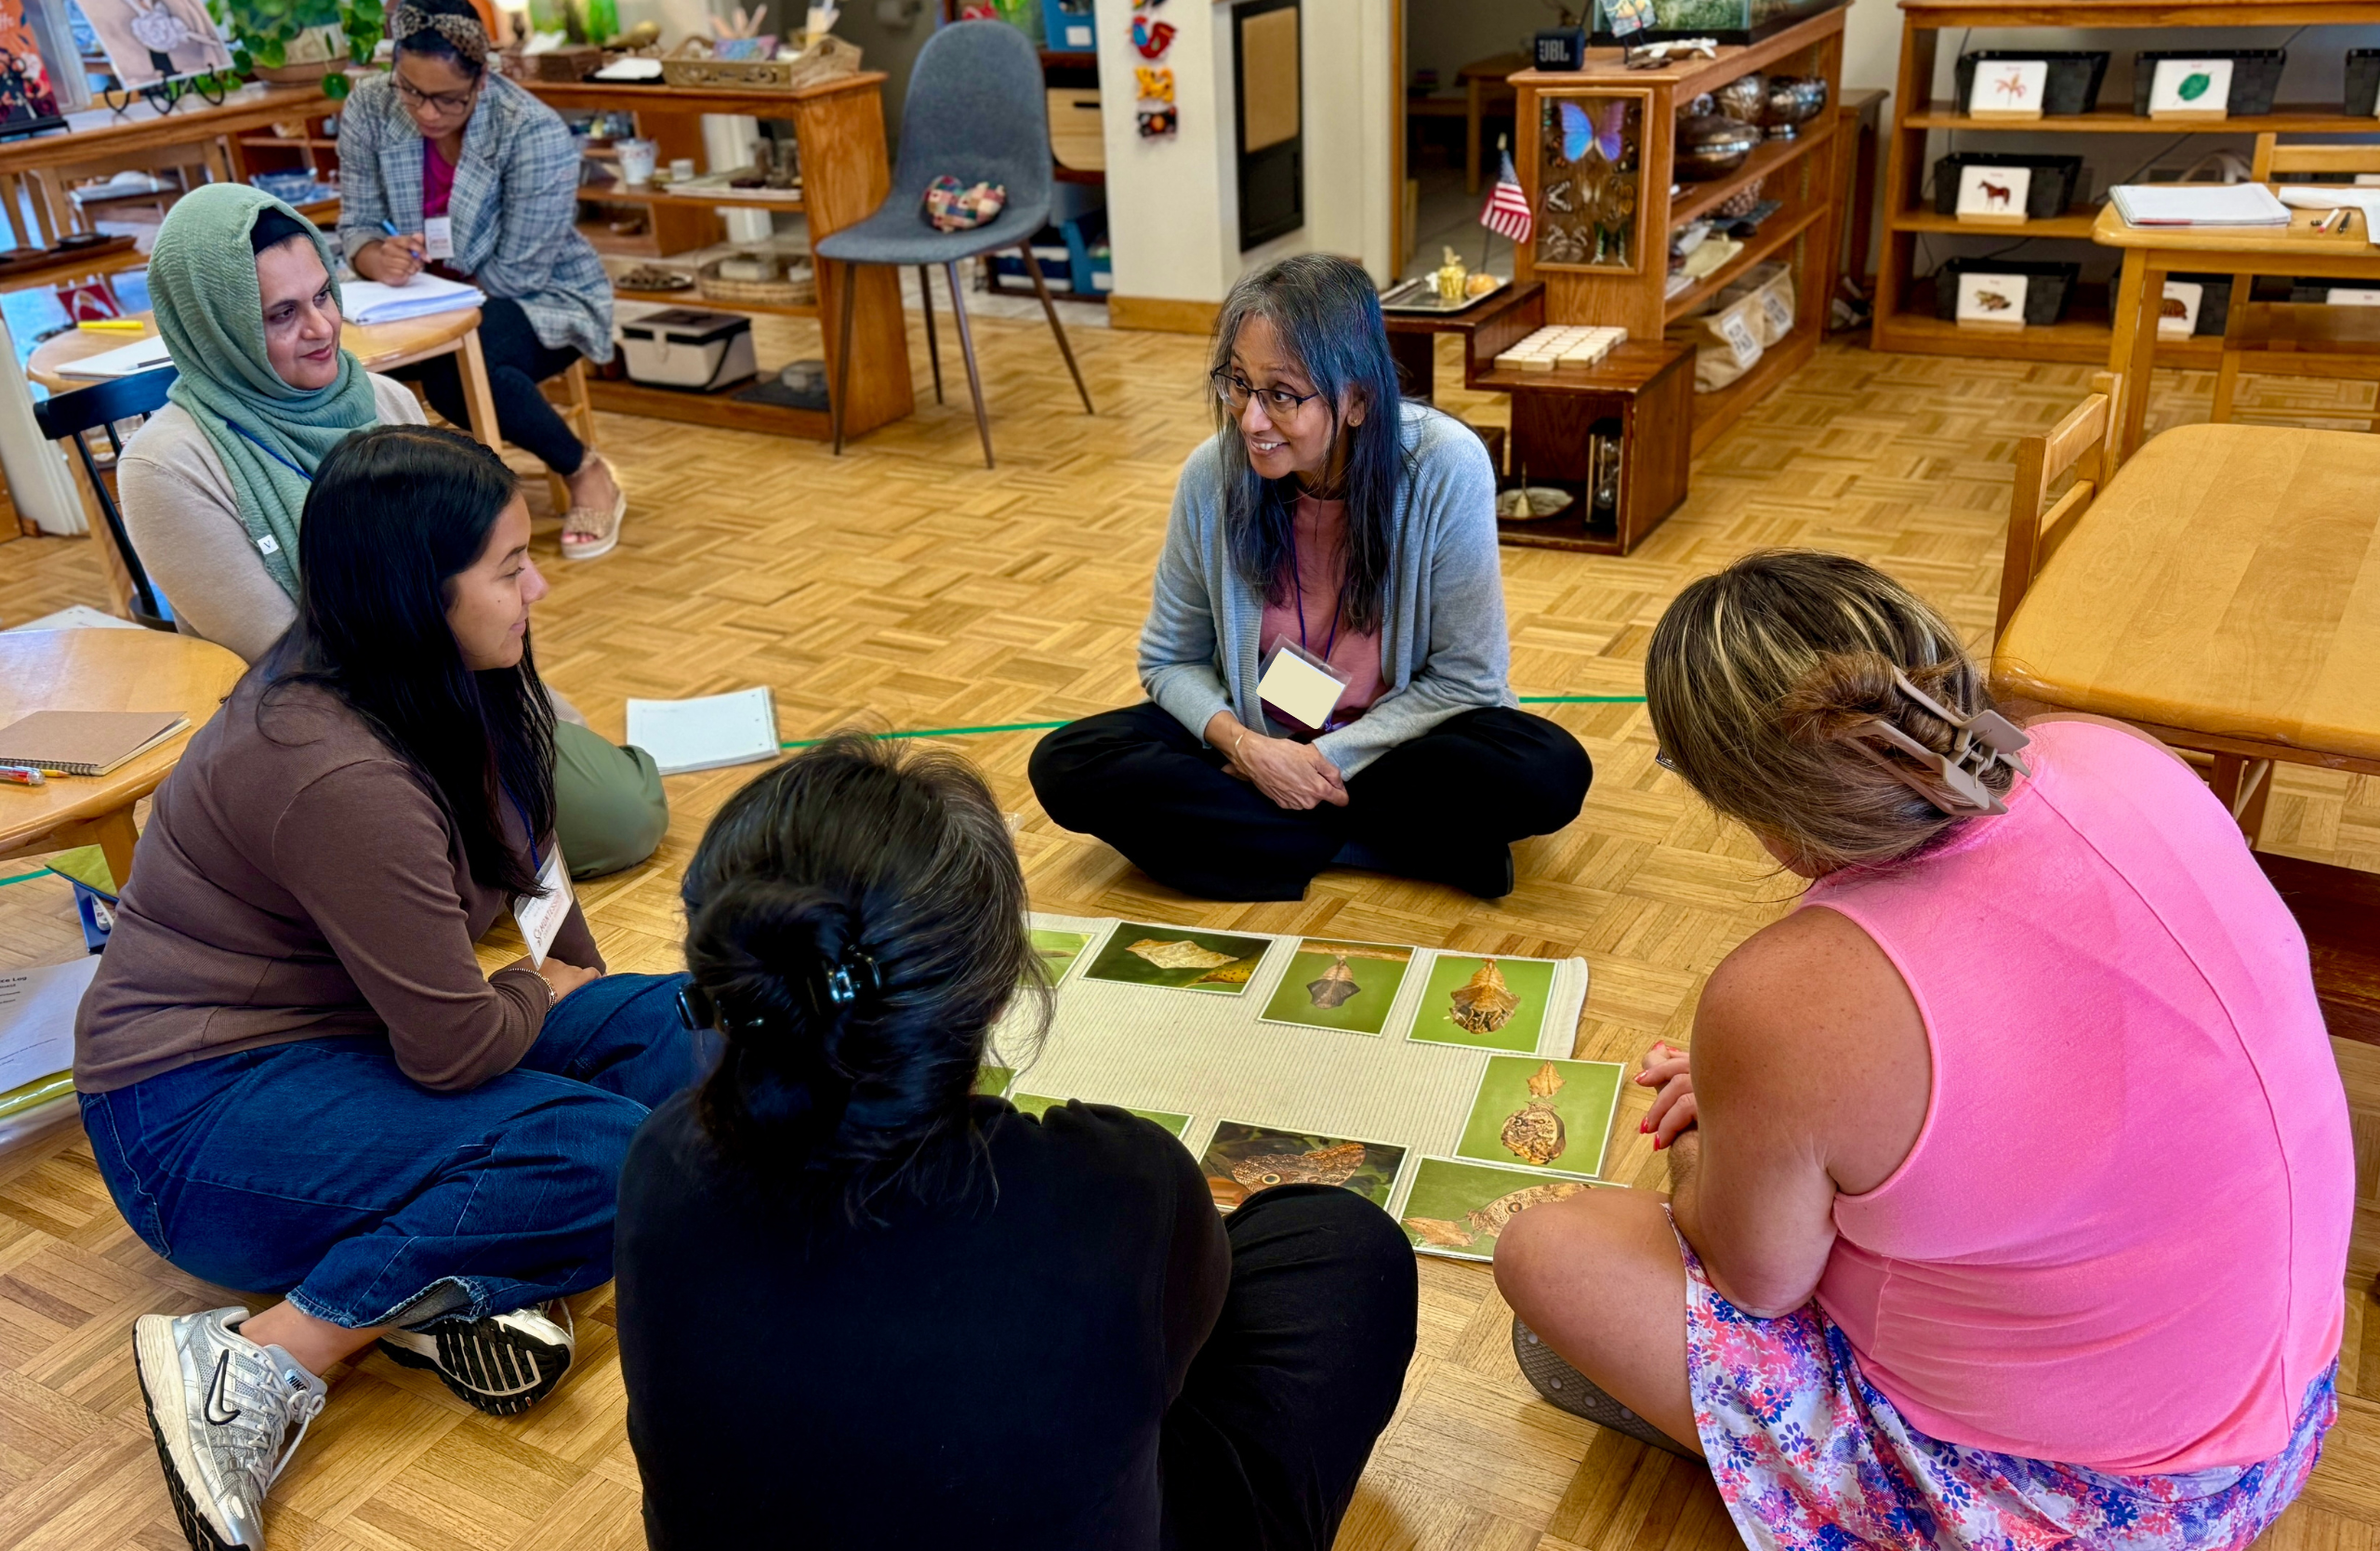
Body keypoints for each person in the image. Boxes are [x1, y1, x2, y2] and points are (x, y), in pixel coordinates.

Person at [1491, 550, 2354, 1547]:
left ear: (1743, 801)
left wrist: (1719, 1137)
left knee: (1548, 1250)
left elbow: (1755, 1278)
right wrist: (1778, 1103)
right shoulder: (2112, 750)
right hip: (2277, 1422)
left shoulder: (1793, 992)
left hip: (2086, 1507)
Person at [80, 427, 701, 1551]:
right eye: (510, 566)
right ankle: (266, 1353)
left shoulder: (443, 674)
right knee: (607, 1153)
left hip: (352, 1044)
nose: (538, 583)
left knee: (677, 1030)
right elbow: (457, 1053)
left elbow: (536, 870)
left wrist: (581, 1000)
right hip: (191, 1115)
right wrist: (538, 1003)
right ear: (423, 593)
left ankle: (427, 1291)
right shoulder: (334, 765)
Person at [615, 735, 1418, 1549]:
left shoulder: (657, 1162)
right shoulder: (1117, 1183)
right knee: (1344, 1246)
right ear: (998, 990)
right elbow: (1179, 1349)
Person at [119, 183, 666, 877]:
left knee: (619, 805)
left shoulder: (381, 397)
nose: (320, 328)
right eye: (281, 315)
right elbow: (282, 654)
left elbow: (465, 586)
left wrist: (533, 710)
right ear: (212, 324)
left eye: (323, 295)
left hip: (452, 688)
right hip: (327, 732)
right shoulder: (168, 464)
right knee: (606, 818)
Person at [1028, 253, 1589, 902]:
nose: (1251, 420)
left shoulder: (1444, 465)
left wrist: (1322, 762)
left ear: (1356, 400)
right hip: (1252, 740)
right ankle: (1401, 846)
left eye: (1282, 395)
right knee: (1067, 764)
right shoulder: (1212, 474)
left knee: (1549, 771)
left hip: (1387, 747)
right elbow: (1167, 660)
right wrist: (1252, 748)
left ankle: (1256, 841)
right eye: (1238, 383)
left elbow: (1468, 679)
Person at [336, 0, 626, 559]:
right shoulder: (369, 106)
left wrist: (427, 297)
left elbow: (516, 273)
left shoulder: (531, 131)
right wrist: (374, 255)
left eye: (449, 100)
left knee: (458, 366)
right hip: (417, 295)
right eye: (411, 91)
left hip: (541, 293)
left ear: (481, 82)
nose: (425, 112)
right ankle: (388, 517)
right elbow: (357, 221)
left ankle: (584, 471)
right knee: (329, 351)